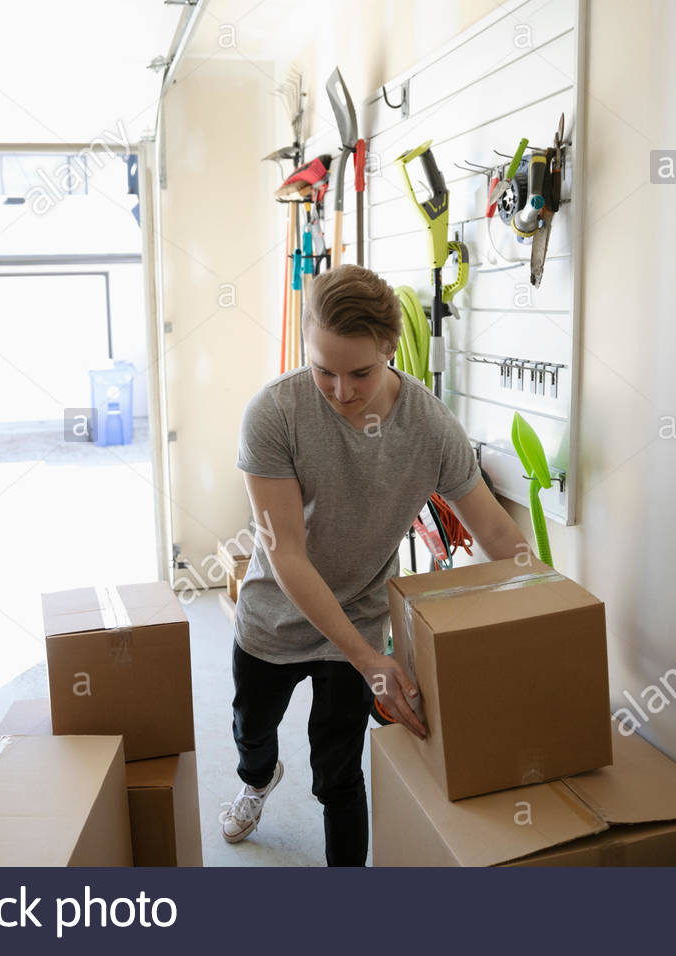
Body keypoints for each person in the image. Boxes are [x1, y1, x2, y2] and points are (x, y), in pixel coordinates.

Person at [223, 263, 535, 865]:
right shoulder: (273, 414)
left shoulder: (430, 427)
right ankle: (257, 781)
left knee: (338, 774)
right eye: (323, 371)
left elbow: (496, 531)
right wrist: (374, 663)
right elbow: (286, 552)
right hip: (273, 621)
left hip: (359, 622)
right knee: (250, 736)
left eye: (360, 372)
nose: (341, 392)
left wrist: (552, 610)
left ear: (390, 349)